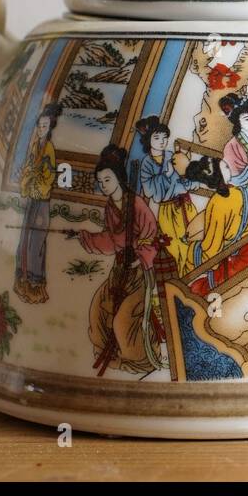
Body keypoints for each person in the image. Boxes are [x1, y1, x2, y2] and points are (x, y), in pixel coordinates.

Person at [69, 145, 164, 375]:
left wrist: (139, 254)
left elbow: (151, 233)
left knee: (123, 320)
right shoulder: (110, 207)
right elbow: (110, 239)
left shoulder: (137, 204)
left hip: (140, 272)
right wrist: (85, 237)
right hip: (119, 270)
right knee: (98, 309)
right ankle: (109, 353)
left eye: (108, 180)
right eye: (100, 181)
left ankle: (139, 361)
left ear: (119, 179)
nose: (104, 185)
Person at [183, 154, 248, 296]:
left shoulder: (216, 203)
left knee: (194, 255)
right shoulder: (244, 192)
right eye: (225, 166)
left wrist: (201, 258)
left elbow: (214, 244)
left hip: (234, 260)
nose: (228, 166)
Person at [134, 116, 195, 275]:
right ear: (148, 140)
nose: (162, 141)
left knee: (193, 239)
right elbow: (149, 191)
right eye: (157, 137)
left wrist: (190, 180)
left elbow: (185, 175)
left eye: (164, 137)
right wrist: (166, 174)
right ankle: (182, 275)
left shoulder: (171, 156)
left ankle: (194, 273)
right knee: (175, 246)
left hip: (185, 205)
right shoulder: (147, 163)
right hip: (167, 210)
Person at [13, 103, 61, 304]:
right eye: (39, 125)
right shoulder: (35, 146)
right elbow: (29, 166)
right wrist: (26, 176)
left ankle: (35, 285)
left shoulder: (49, 147)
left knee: (36, 242)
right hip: (33, 197)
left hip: (41, 199)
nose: (41, 129)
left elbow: (49, 174)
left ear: (50, 128)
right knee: (25, 238)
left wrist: (36, 178)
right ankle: (23, 280)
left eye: (45, 126)